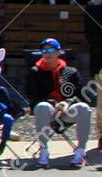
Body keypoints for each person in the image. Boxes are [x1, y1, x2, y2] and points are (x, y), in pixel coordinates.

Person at [28, 38, 92, 169]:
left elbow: (79, 95)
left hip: (67, 113)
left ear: (59, 52)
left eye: (51, 49)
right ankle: (44, 151)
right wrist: (53, 103)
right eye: (44, 50)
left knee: (84, 108)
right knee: (42, 106)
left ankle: (80, 151)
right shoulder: (35, 72)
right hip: (48, 113)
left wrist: (67, 103)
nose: (47, 53)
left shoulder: (71, 72)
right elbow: (33, 96)